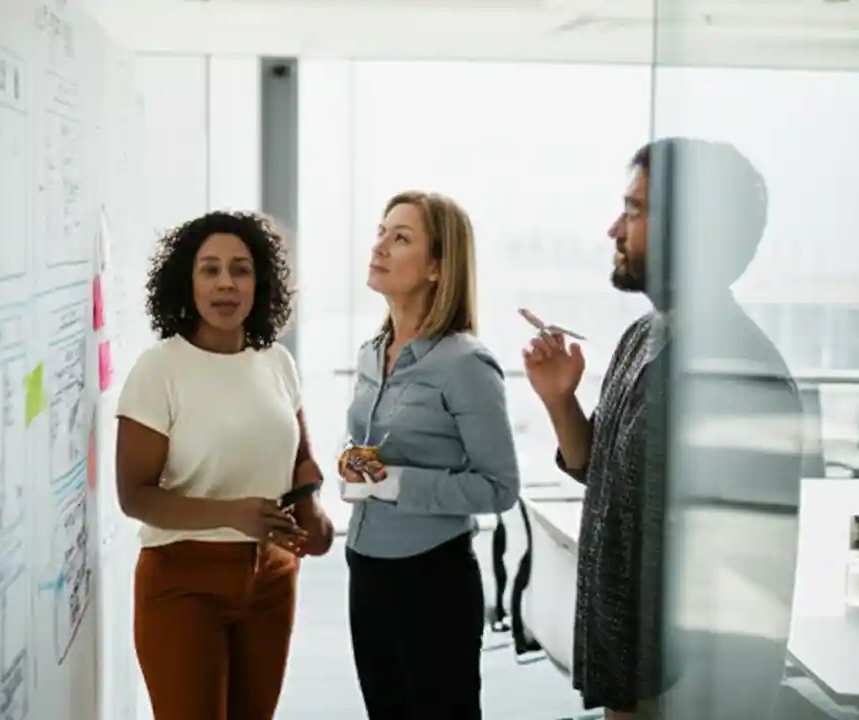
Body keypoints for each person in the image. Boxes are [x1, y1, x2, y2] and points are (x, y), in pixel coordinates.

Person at [523, 138, 801, 719]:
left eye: (634, 210)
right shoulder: (643, 337)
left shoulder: (737, 369)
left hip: (686, 687)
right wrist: (559, 400)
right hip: (634, 672)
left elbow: (739, 575)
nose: (613, 229)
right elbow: (596, 467)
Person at [115, 210, 334, 720]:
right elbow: (135, 497)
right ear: (186, 282)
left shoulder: (276, 361)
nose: (226, 283)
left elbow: (301, 457)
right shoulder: (160, 369)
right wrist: (233, 514)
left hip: (273, 577)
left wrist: (312, 509)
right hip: (184, 581)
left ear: (260, 283)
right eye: (209, 269)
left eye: (240, 269)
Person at [337, 190, 520, 720]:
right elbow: (377, 444)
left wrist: (391, 482)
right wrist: (353, 462)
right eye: (380, 231)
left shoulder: (465, 363)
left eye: (401, 238)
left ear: (438, 267)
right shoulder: (372, 352)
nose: (380, 246)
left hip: (431, 581)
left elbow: (499, 488)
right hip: (365, 568)